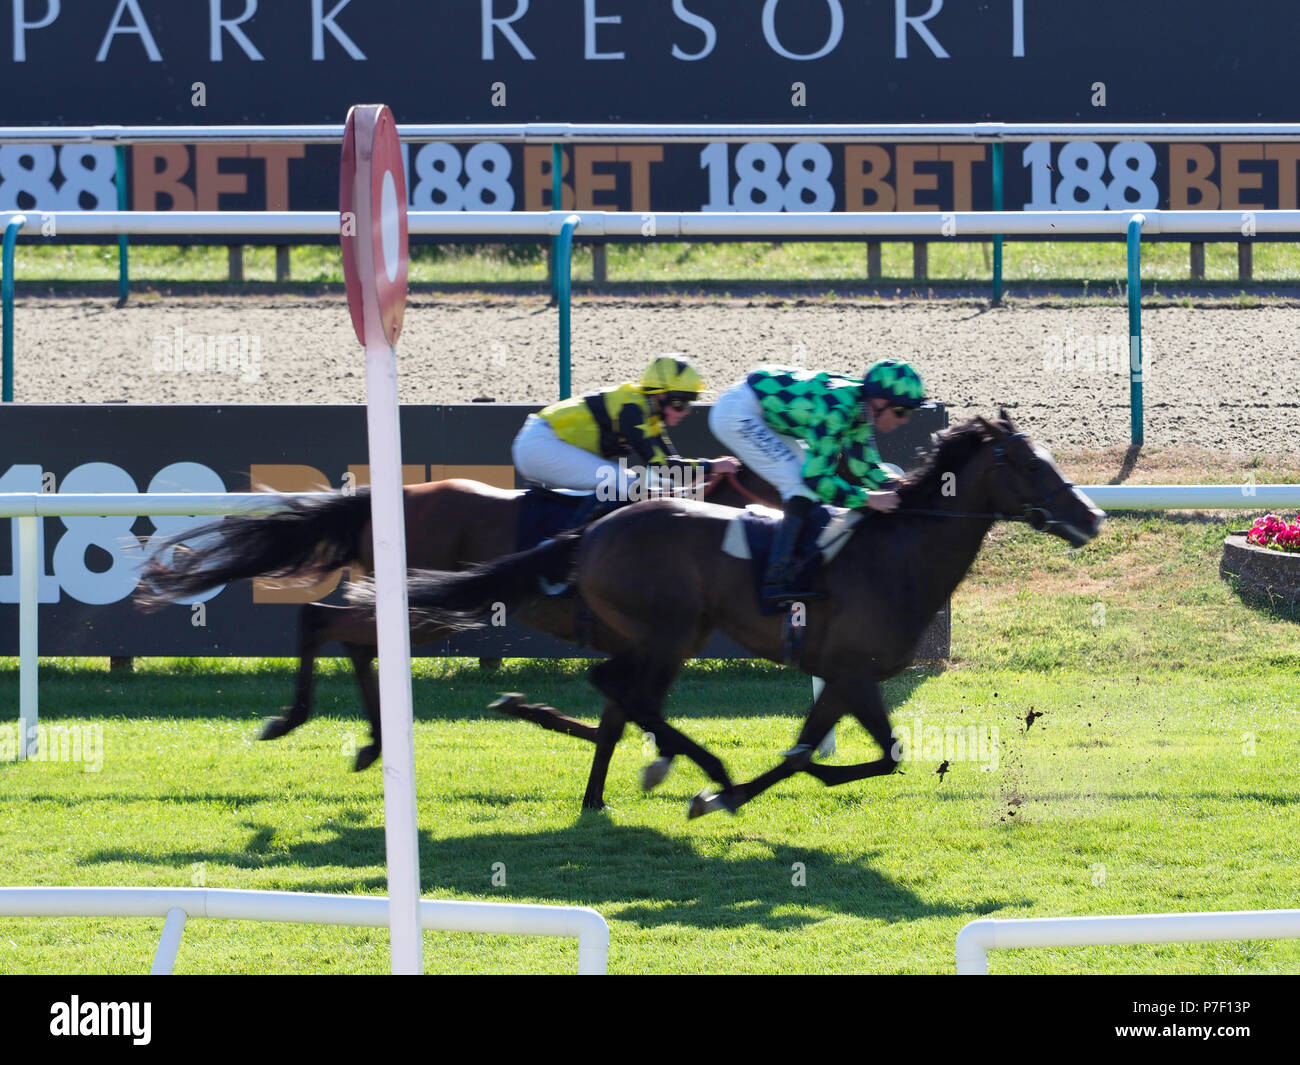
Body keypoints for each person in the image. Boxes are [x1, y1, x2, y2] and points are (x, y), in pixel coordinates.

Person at [709, 358, 930, 604]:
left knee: (803, 484)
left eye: (910, 412)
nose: (904, 420)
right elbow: (816, 479)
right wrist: (868, 498)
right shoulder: (838, 410)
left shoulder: (860, 407)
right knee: (801, 485)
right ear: (879, 402)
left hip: (762, 408)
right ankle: (776, 580)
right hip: (738, 413)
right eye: (901, 411)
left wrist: (903, 487)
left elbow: (864, 465)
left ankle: (788, 566)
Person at [512, 355, 740, 503]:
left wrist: (705, 474)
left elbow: (672, 466)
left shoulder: (647, 413)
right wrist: (712, 466)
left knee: (629, 481)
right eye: (680, 404)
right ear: (660, 395)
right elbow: (663, 467)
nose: (685, 412)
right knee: (624, 483)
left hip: (543, 443)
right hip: (540, 445)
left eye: (689, 404)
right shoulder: (633, 410)